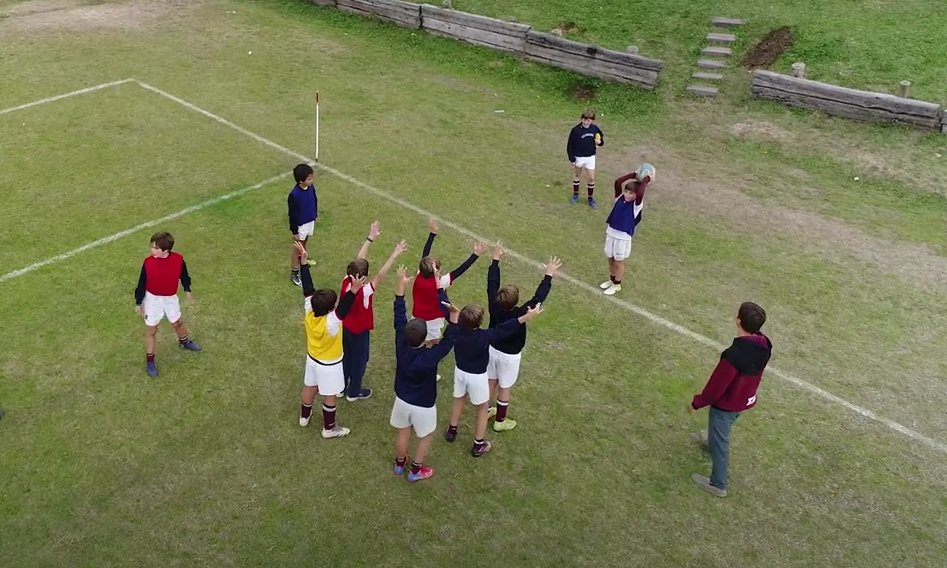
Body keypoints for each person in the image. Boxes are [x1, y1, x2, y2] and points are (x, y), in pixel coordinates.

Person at [688, 302, 772, 497]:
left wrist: (697, 402)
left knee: (720, 441)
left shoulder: (733, 356)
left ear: (738, 320)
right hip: (744, 399)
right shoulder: (765, 345)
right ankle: (710, 440)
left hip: (728, 404)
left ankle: (718, 484)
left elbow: (716, 387)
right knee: (720, 429)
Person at [443, 295, 544, 457]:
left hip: (460, 372)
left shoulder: (455, 332)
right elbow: (506, 328)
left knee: (459, 399)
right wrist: (527, 317)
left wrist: (453, 312)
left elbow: (452, 321)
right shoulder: (485, 336)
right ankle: (478, 445)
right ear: (480, 322)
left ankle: (451, 431)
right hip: (477, 377)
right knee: (483, 408)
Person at [391, 266, 459, 482]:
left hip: (402, 398)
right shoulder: (430, 356)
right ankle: (416, 470)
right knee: (425, 436)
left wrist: (400, 287)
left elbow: (399, 315)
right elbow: (448, 340)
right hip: (423, 404)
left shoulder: (401, 343)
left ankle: (400, 464)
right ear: (424, 339)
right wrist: (454, 317)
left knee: (403, 432)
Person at [485, 242, 560, 432]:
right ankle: (500, 421)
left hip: (491, 349)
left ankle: (485, 410)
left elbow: (491, 283)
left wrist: (495, 259)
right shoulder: (520, 313)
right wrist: (548, 275)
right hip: (509, 356)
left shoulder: (493, 304)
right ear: (516, 301)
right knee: (505, 387)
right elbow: (539, 298)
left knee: (491, 381)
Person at [295, 242, 364, 439]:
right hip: (329, 364)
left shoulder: (310, 311)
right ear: (331, 308)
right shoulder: (331, 322)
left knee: (310, 387)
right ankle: (329, 428)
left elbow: (308, 288)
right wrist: (354, 290)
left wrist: (304, 263)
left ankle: (304, 416)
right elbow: (344, 308)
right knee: (329, 395)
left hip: (312, 359)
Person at [340, 221, 407, 401]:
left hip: (345, 327)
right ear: (364, 277)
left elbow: (358, 260)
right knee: (360, 360)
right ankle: (354, 391)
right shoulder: (365, 291)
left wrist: (370, 238)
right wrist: (394, 254)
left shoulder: (346, 281)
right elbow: (380, 276)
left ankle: (340, 386)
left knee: (345, 355)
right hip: (360, 331)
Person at [134, 231, 202, 378]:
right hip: (152, 299)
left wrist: (187, 289)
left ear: (166, 250)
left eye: (156, 248)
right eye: (152, 246)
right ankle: (150, 361)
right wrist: (139, 302)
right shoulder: (148, 262)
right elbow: (142, 282)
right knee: (151, 330)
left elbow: (184, 275)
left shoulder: (178, 260)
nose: (152, 250)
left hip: (170, 298)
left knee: (177, 322)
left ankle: (184, 342)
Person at [412, 218, 486, 344]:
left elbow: (424, 256)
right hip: (433, 319)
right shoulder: (441, 282)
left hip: (417, 315)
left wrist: (432, 234)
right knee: (435, 341)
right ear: (437, 270)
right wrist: (475, 254)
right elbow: (460, 270)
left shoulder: (419, 275)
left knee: (418, 339)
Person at [600, 166, 652, 296]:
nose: (627, 194)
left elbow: (640, 193)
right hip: (611, 232)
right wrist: (633, 175)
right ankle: (612, 280)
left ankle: (617, 284)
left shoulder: (636, 206)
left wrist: (645, 181)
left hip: (622, 237)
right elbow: (618, 182)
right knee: (610, 259)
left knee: (618, 261)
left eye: (631, 193)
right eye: (626, 191)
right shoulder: (619, 198)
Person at [566, 109, 604, 209]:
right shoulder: (576, 130)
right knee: (577, 175)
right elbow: (570, 145)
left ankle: (590, 198)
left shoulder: (595, 128)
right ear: (582, 119)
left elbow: (600, 139)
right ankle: (575, 195)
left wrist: (599, 142)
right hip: (579, 157)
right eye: (585, 120)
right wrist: (572, 158)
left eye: (589, 120)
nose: (586, 122)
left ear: (592, 121)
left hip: (590, 157)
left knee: (591, 178)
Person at [288, 163, 318, 287]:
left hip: (309, 221)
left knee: (305, 241)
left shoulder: (311, 187)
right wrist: (294, 231)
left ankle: (303, 258)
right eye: (309, 179)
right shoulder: (294, 195)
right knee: (297, 247)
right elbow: (292, 214)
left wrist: (315, 214)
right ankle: (294, 272)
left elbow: (314, 200)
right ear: (301, 181)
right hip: (300, 225)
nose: (312, 181)